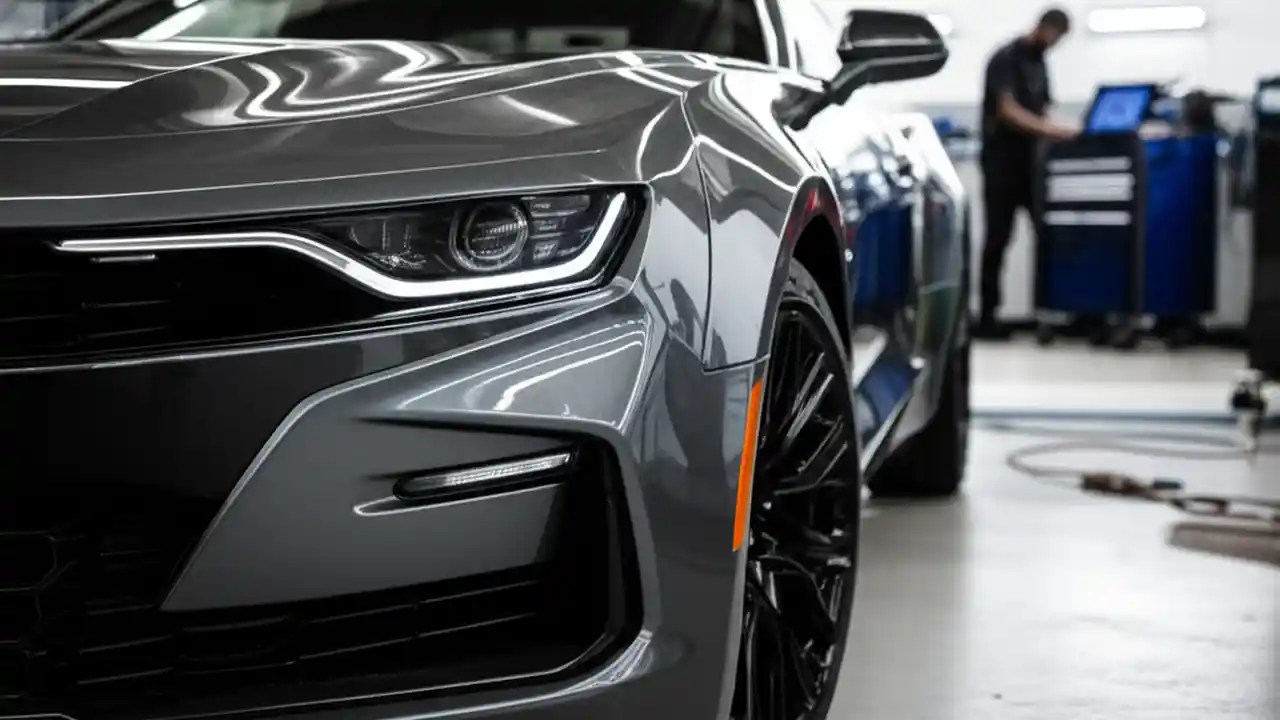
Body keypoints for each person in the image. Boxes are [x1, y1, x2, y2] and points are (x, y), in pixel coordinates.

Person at [976, 8, 1077, 339]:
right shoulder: (1006, 58)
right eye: (1056, 36)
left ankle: (1048, 312)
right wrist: (1050, 130)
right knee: (998, 240)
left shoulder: (1040, 63)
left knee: (1047, 237)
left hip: (1030, 166)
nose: (1056, 44)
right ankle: (988, 317)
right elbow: (1008, 111)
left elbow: (1044, 107)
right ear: (1044, 27)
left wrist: (1056, 130)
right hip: (1001, 165)